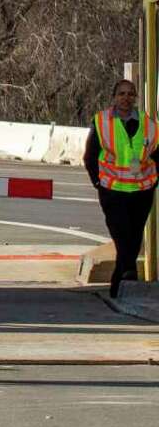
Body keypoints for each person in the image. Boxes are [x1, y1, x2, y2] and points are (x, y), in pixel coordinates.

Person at [84, 78, 157, 298]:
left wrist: (153, 181)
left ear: (135, 98)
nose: (126, 98)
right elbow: (90, 156)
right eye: (122, 94)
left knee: (134, 237)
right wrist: (98, 183)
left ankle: (120, 281)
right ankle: (128, 272)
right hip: (112, 191)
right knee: (121, 233)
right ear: (114, 97)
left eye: (130, 94)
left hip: (141, 192)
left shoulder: (149, 125)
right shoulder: (101, 121)